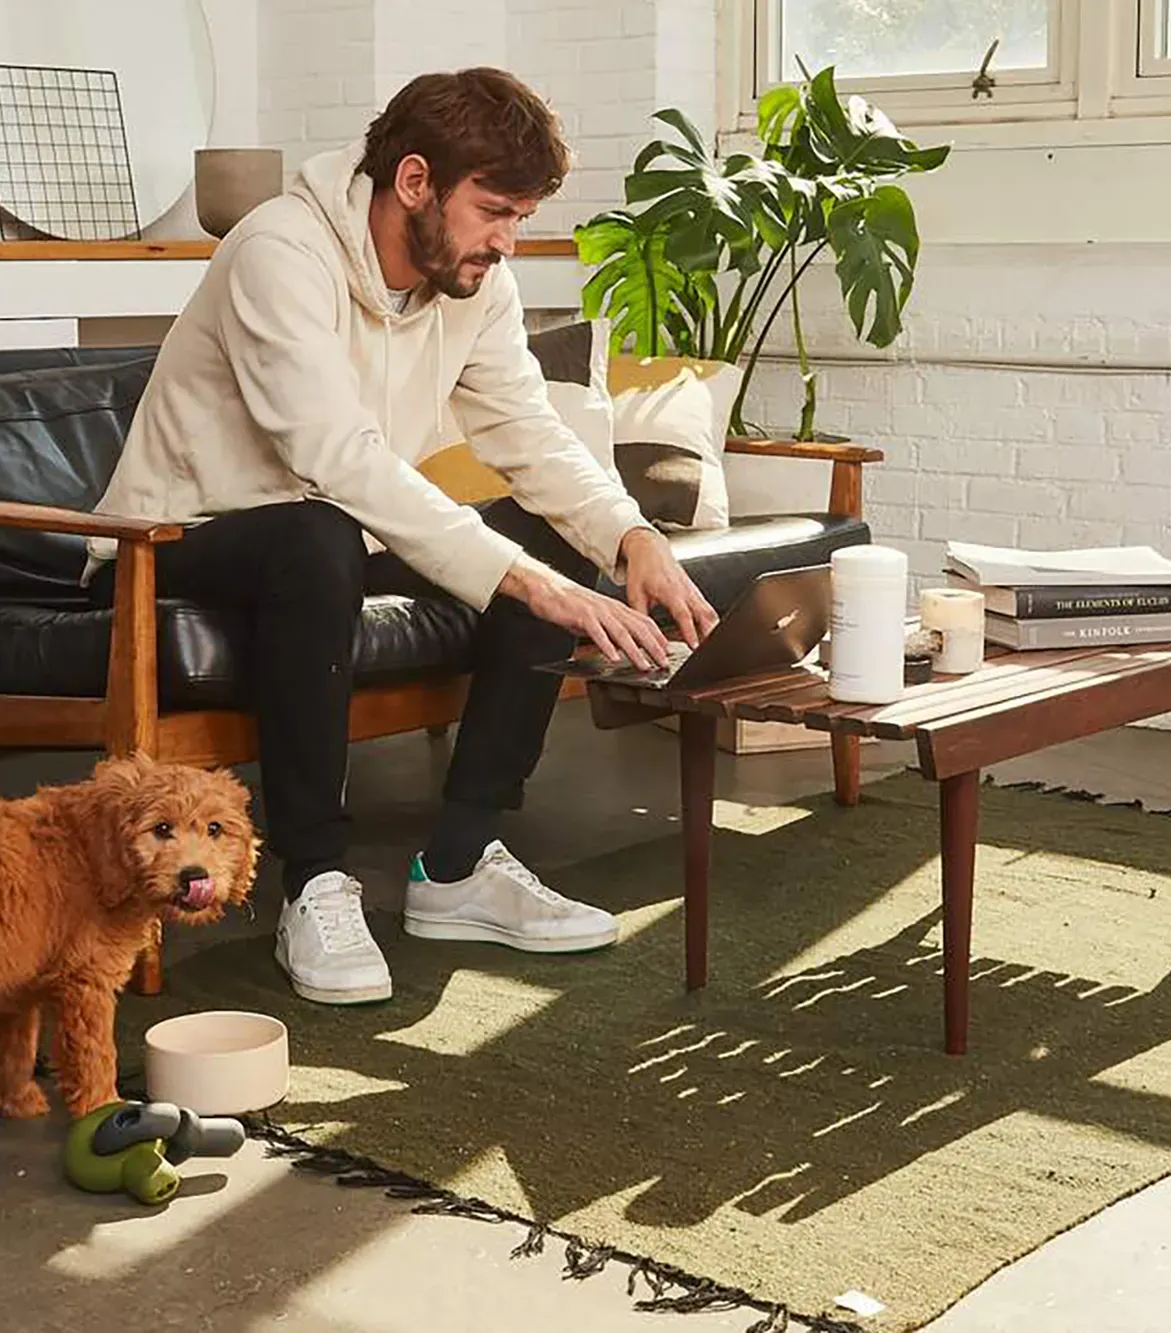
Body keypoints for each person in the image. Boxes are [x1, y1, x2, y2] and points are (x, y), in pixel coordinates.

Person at [85, 67, 718, 1005]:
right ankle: (314, 880)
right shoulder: (278, 251)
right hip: (172, 540)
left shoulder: (473, 282)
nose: (510, 241)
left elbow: (529, 433)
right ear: (415, 181)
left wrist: (630, 537)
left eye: (519, 215)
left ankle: (459, 865)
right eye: (495, 210)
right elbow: (337, 456)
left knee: (538, 537)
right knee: (322, 539)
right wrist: (527, 584)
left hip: (334, 530)